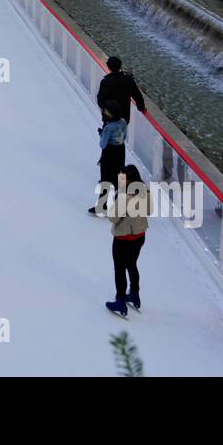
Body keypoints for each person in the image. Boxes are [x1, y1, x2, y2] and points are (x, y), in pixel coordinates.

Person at [105, 164, 149, 318]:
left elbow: (113, 217)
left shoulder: (125, 197)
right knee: (132, 264)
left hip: (123, 238)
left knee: (119, 269)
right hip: (139, 236)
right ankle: (135, 295)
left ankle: (120, 301)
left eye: (122, 178)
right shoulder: (145, 192)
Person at [89, 100, 127, 216]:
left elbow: (102, 144)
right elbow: (123, 136)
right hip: (120, 151)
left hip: (109, 154)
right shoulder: (123, 122)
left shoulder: (108, 128)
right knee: (119, 177)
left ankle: (102, 206)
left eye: (106, 111)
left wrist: (101, 134)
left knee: (106, 179)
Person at [97, 56, 146, 124]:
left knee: (109, 133)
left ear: (108, 67)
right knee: (122, 132)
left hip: (110, 117)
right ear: (120, 66)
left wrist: (104, 113)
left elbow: (100, 101)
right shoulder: (128, 80)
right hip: (124, 117)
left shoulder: (105, 81)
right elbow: (137, 96)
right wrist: (141, 108)